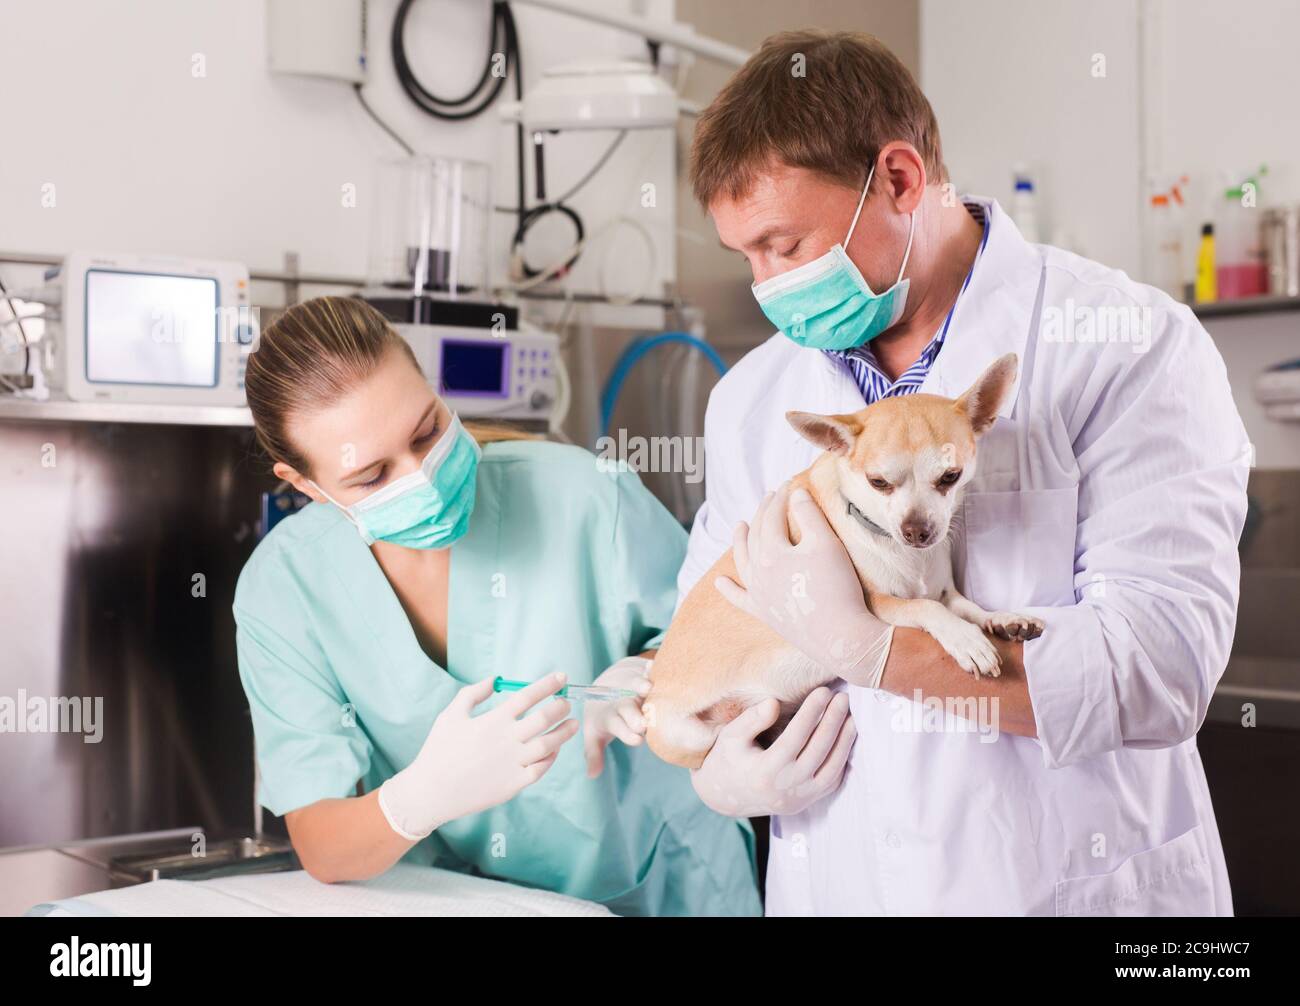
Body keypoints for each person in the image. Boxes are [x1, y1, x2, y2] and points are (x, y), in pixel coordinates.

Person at [681, 29, 1248, 915]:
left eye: (785, 246)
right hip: (845, 882)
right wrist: (722, 766)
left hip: (1069, 889)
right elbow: (710, 630)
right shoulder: (754, 401)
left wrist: (874, 647)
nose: (767, 287)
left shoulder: (1123, 342)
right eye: (745, 256)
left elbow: (1160, 668)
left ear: (901, 179)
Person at [232, 296, 761, 917]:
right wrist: (418, 801)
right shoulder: (286, 589)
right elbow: (322, 842)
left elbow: (731, 629)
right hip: (463, 902)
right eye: (372, 477)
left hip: (659, 885)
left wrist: (647, 672)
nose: (422, 476)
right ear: (305, 485)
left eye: (425, 431)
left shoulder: (585, 499)